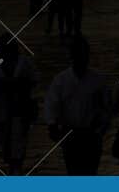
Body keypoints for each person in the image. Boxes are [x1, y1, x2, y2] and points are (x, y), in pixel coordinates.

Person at [44, 36, 111, 174]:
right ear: (72, 56)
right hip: (70, 134)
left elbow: (107, 108)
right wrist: (52, 126)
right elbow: (51, 105)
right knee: (73, 172)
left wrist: (101, 131)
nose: (81, 58)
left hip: (91, 134)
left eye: (84, 54)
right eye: (78, 54)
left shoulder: (98, 80)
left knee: (90, 173)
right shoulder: (61, 80)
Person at [0, 35, 36, 174]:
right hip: (1, 109)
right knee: (5, 143)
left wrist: (18, 84)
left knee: (19, 143)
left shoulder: (24, 62)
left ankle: (16, 170)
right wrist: (2, 85)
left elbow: (33, 81)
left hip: (20, 108)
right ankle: (12, 167)